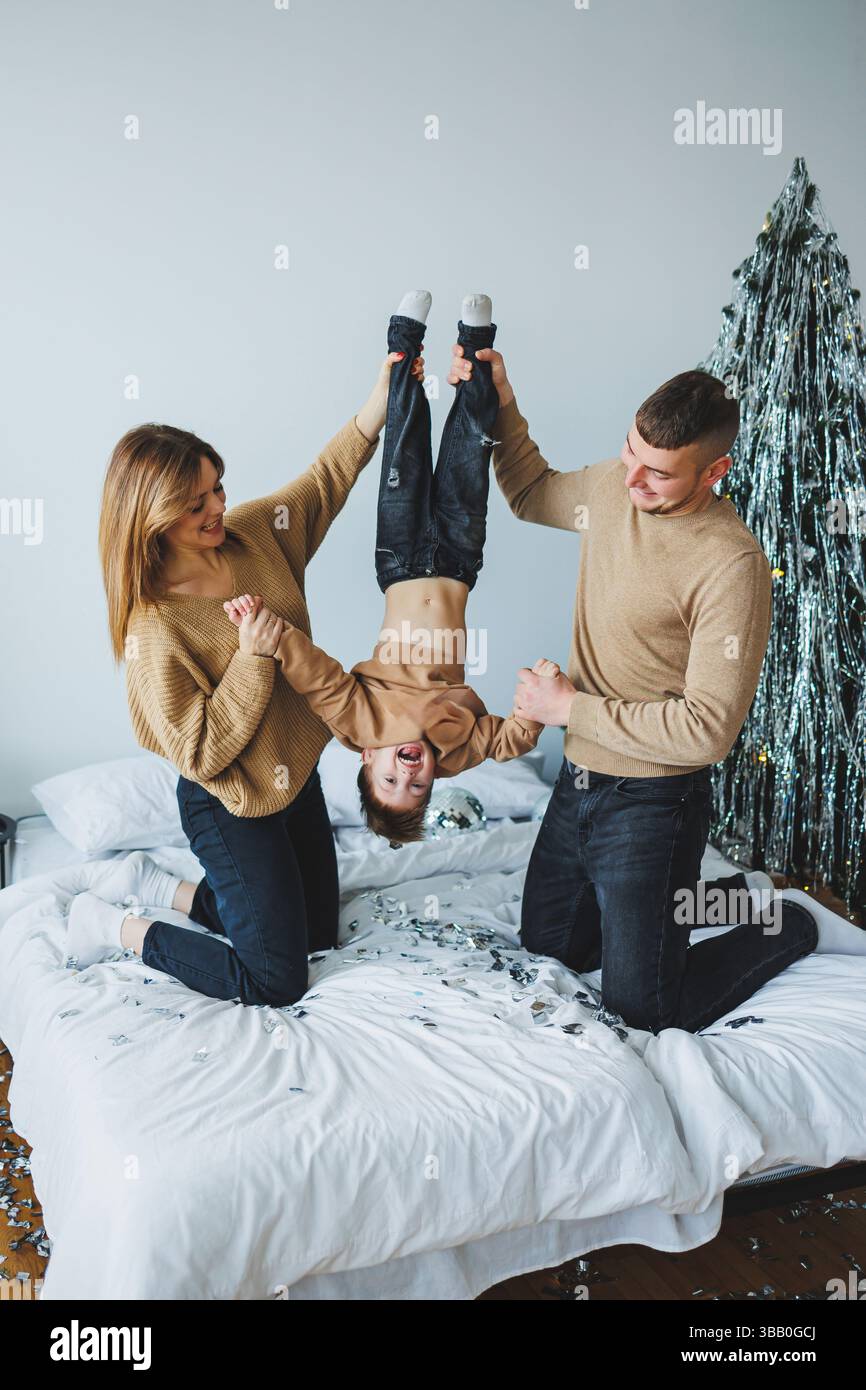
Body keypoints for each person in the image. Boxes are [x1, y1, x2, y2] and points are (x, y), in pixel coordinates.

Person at [448, 344, 866, 1035]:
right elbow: (529, 492)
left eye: (659, 472)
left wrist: (568, 708)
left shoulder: (730, 565)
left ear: (714, 472)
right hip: (579, 783)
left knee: (643, 1011)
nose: (631, 478)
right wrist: (502, 401)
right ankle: (727, 896)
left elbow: (707, 730)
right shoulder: (616, 485)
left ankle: (786, 917)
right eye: (629, 452)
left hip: (654, 803)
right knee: (552, 949)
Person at [66, 352, 407, 1004]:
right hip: (230, 802)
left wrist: (380, 403)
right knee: (276, 980)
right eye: (197, 503)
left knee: (318, 937)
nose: (219, 506)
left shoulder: (253, 535)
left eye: (218, 486)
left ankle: (171, 890)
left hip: (293, 775)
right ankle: (115, 924)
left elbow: (323, 482)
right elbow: (200, 752)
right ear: (153, 519)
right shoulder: (155, 627)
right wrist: (252, 658)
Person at [223, 290, 549, 845]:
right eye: (416, 787)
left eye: (390, 779)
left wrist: (271, 634)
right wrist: (537, 704)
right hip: (458, 561)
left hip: (399, 561)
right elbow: (510, 741)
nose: (408, 772)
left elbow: (318, 678)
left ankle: (404, 338)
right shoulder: (458, 751)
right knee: (469, 453)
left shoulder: (359, 724)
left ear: (368, 758)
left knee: (404, 447)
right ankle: (476, 341)